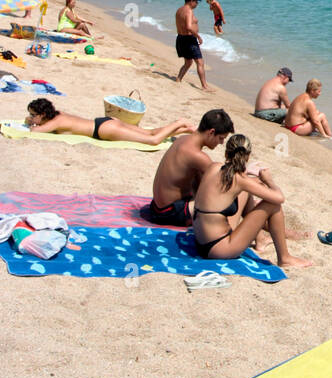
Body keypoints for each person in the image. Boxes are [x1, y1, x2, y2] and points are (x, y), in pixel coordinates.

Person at [192, 133, 313, 269]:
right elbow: (279, 198)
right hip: (218, 249)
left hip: (200, 241)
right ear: (248, 156)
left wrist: (250, 178)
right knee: (273, 204)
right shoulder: (241, 180)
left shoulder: (214, 167)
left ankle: (260, 239)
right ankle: (284, 258)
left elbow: (237, 182)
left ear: (226, 154)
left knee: (246, 190)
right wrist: (268, 181)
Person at [148, 107, 234, 225]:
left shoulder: (183, 139)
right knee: (232, 199)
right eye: (221, 138)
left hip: (156, 208)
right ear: (211, 132)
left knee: (203, 178)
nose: (221, 143)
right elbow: (224, 184)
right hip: (167, 214)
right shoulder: (197, 156)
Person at [25, 98, 194, 145]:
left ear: (42, 114)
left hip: (104, 130)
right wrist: (32, 119)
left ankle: (178, 122)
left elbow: (34, 132)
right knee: (150, 132)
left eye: (33, 115)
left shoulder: (54, 122)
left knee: (152, 140)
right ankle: (186, 130)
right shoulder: (58, 114)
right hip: (105, 122)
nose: (31, 118)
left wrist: (31, 123)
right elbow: (38, 123)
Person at [175, 0, 212, 91]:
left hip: (180, 38)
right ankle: (204, 86)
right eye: (196, 2)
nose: (197, 4)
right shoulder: (189, 11)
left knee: (188, 62)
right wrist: (198, 37)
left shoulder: (179, 10)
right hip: (189, 39)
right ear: (191, 1)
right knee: (200, 62)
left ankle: (178, 79)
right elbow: (188, 27)